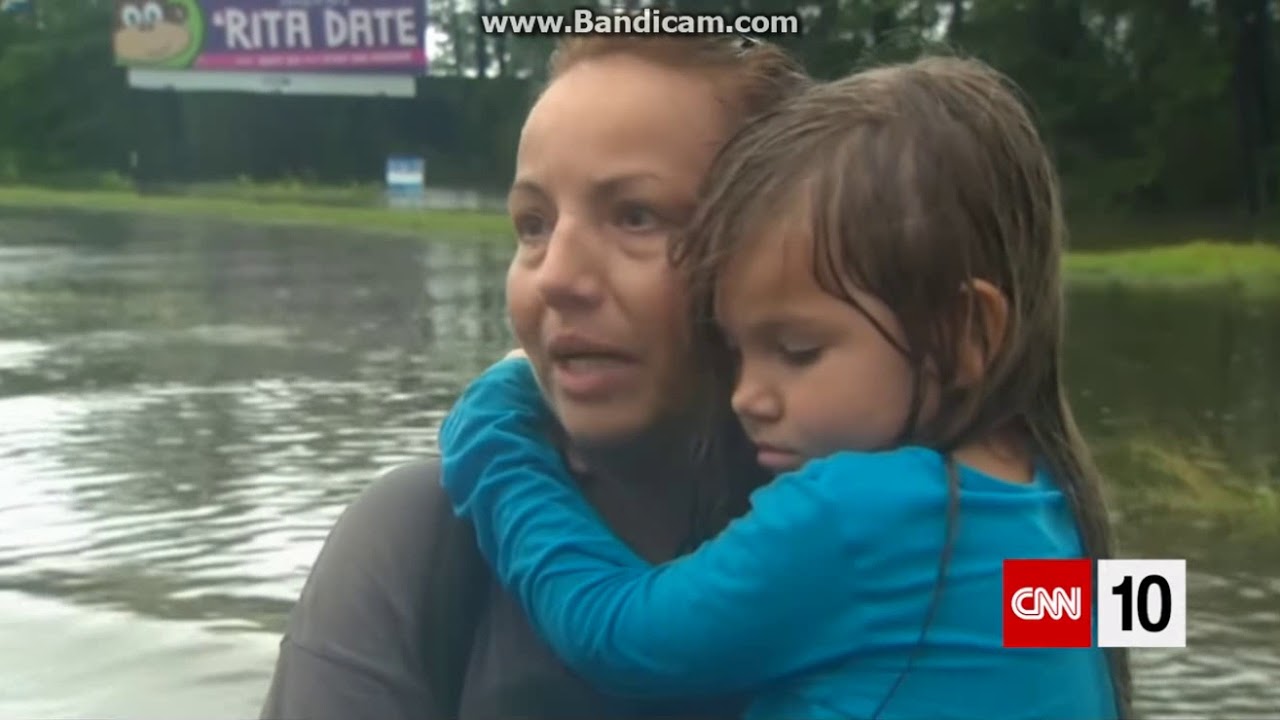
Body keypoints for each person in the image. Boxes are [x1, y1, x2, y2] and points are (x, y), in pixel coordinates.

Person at [439, 56, 1132, 719]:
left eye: (797, 351)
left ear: (967, 334)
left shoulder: (856, 515)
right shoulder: (1051, 505)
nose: (749, 397)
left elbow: (618, 636)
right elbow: (1148, 607)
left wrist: (494, 432)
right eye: (734, 352)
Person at [258, 34, 811, 720]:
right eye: (533, 224)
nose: (555, 277)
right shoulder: (417, 539)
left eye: (635, 216)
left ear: (786, 254)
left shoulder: (946, 521)